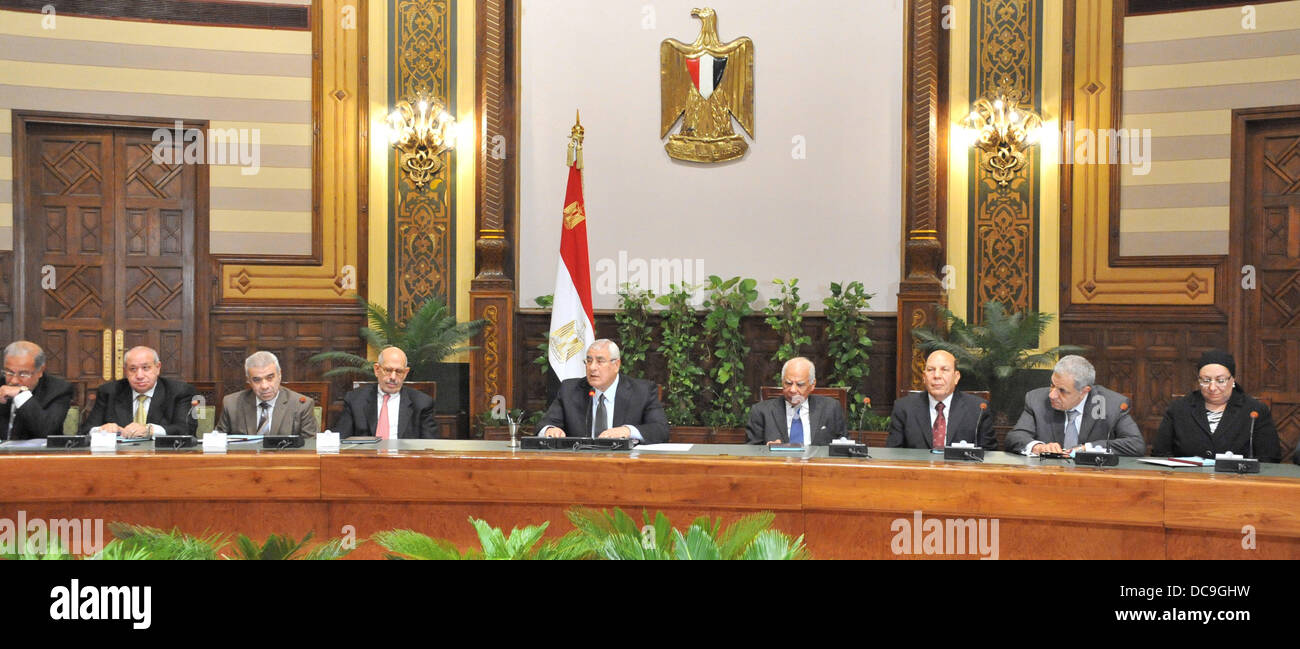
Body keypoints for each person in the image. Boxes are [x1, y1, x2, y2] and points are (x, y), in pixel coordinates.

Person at [1151, 350, 1280, 462]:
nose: (1212, 387)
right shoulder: (1179, 408)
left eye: (1220, 380)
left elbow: (1269, 458)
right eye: (1206, 380)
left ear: (1232, 380)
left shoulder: (1254, 410)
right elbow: (1160, 453)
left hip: (1239, 484)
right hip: (1188, 481)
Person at [1005, 355, 1144, 456]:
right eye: (1052, 385)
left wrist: (1087, 449)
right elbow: (1015, 437)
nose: (1052, 395)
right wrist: (1037, 446)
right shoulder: (1036, 400)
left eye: (1062, 391)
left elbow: (1135, 444)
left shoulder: (1111, 404)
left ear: (1084, 391)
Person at [536, 339, 669, 443]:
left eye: (600, 361)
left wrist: (627, 430)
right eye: (589, 361)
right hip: (581, 465)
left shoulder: (642, 391)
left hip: (624, 466)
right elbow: (544, 424)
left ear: (616, 365)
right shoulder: (570, 390)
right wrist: (550, 430)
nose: (592, 367)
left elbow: (660, 430)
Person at [885, 349, 995, 450]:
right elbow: (894, 453)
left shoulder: (978, 409)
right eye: (931, 370)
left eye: (944, 370)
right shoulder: (904, 408)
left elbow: (989, 454)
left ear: (956, 377)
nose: (937, 375)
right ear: (924, 377)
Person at [80, 346, 197, 438]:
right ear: (125, 371)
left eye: (146, 368)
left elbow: (186, 429)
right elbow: (85, 430)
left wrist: (149, 430)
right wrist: (102, 429)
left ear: (158, 367)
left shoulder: (180, 391)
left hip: (162, 457)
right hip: (119, 458)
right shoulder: (109, 391)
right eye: (133, 369)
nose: (139, 376)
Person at [332, 346, 436, 439]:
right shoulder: (355, 400)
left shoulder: (422, 403)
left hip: (404, 458)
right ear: (377, 370)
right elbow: (340, 439)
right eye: (388, 370)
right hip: (366, 458)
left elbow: (430, 447)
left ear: (405, 373)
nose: (393, 377)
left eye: (399, 372)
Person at [746, 357, 846, 445]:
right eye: (788, 383)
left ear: (812, 385)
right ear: (782, 382)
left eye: (800, 384)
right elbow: (751, 451)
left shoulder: (831, 408)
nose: (793, 390)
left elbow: (844, 445)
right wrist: (766, 450)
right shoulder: (761, 411)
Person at [215, 351, 318, 437]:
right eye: (257, 380)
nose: (264, 386)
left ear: (279, 375)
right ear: (248, 380)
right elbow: (217, 443)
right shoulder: (232, 404)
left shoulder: (301, 405)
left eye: (270, 378)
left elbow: (310, 447)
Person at [0, 341, 73, 440]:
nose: (14, 381)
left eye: (23, 374)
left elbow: (46, 431)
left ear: (40, 371)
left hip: (37, 454)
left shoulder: (58, 389)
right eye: (9, 372)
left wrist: (21, 395)